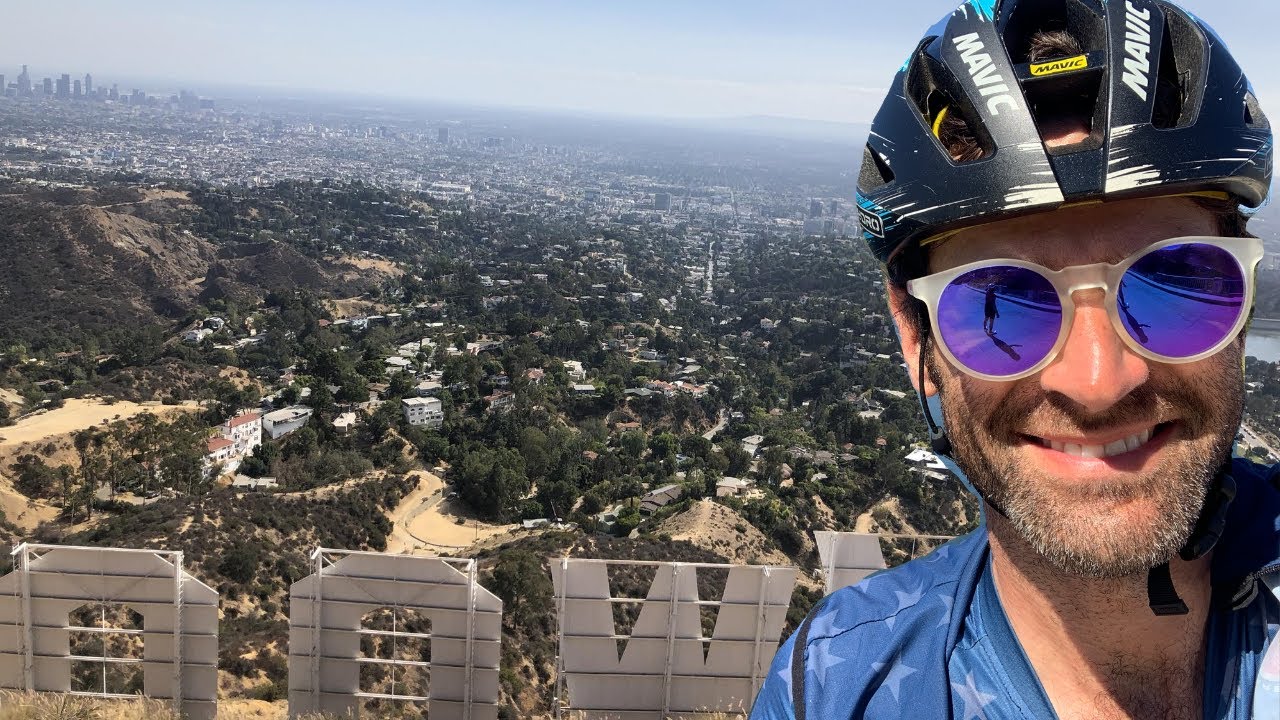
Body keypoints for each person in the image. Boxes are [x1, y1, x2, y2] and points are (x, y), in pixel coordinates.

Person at [751, 0, 1278, 718]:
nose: (1098, 381)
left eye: (1175, 280)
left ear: (1242, 307)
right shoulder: (842, 687)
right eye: (1001, 300)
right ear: (916, 337)